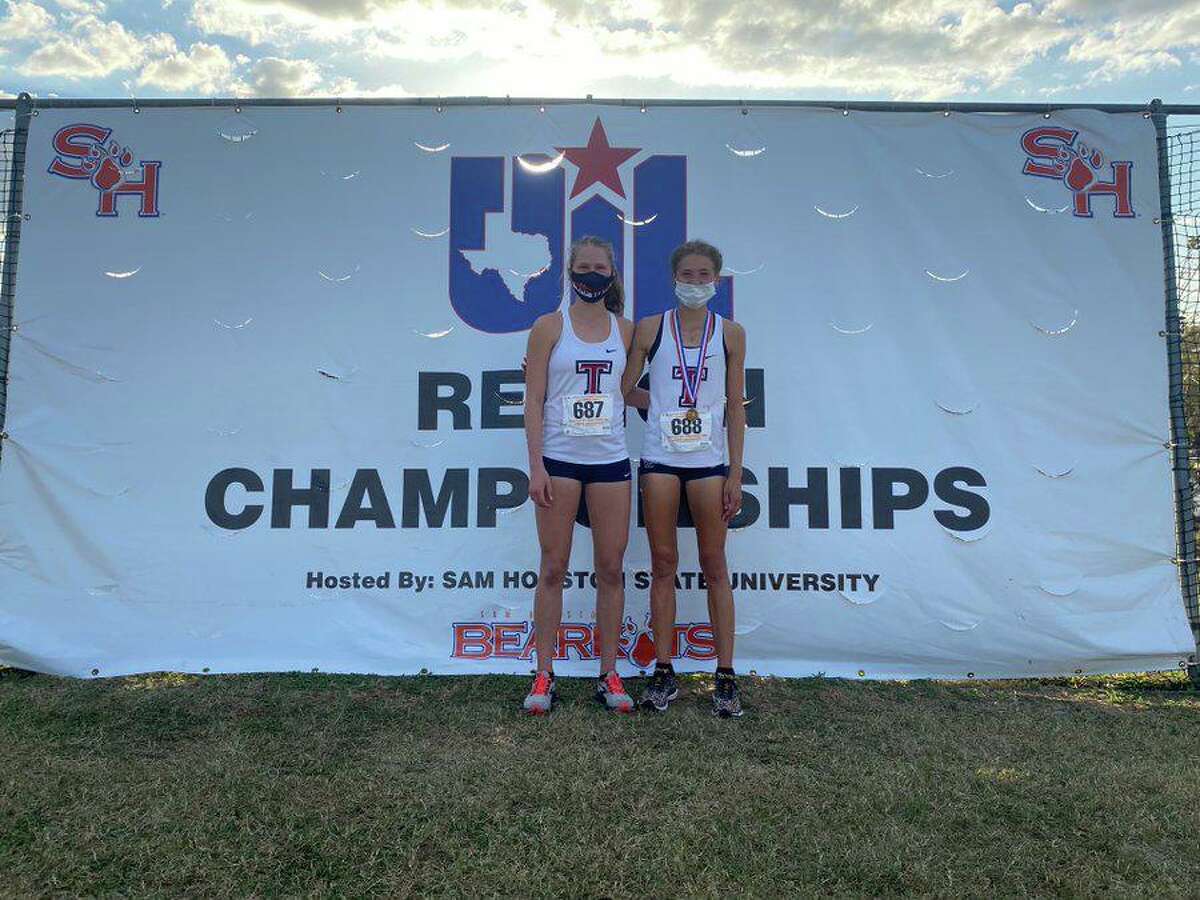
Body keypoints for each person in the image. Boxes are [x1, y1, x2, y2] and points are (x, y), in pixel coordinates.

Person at [621, 240, 747, 717]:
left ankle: (726, 674)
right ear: (674, 278)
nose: (695, 282)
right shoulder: (652, 328)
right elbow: (624, 389)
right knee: (664, 563)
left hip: (710, 463)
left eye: (703, 275)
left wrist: (735, 472)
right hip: (660, 458)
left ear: (716, 279)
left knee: (715, 564)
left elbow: (736, 407)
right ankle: (664, 670)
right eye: (687, 275)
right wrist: (662, 405)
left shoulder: (731, 334)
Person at [520, 236, 637, 715]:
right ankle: (544, 672)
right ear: (569, 273)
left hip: (610, 460)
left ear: (612, 274)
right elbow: (532, 400)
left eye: (599, 267)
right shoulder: (549, 327)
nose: (591, 274)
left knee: (610, 569)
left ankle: (608, 672)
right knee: (553, 568)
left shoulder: (628, 331)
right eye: (583, 267)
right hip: (560, 458)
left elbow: (637, 391)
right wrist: (536, 466)